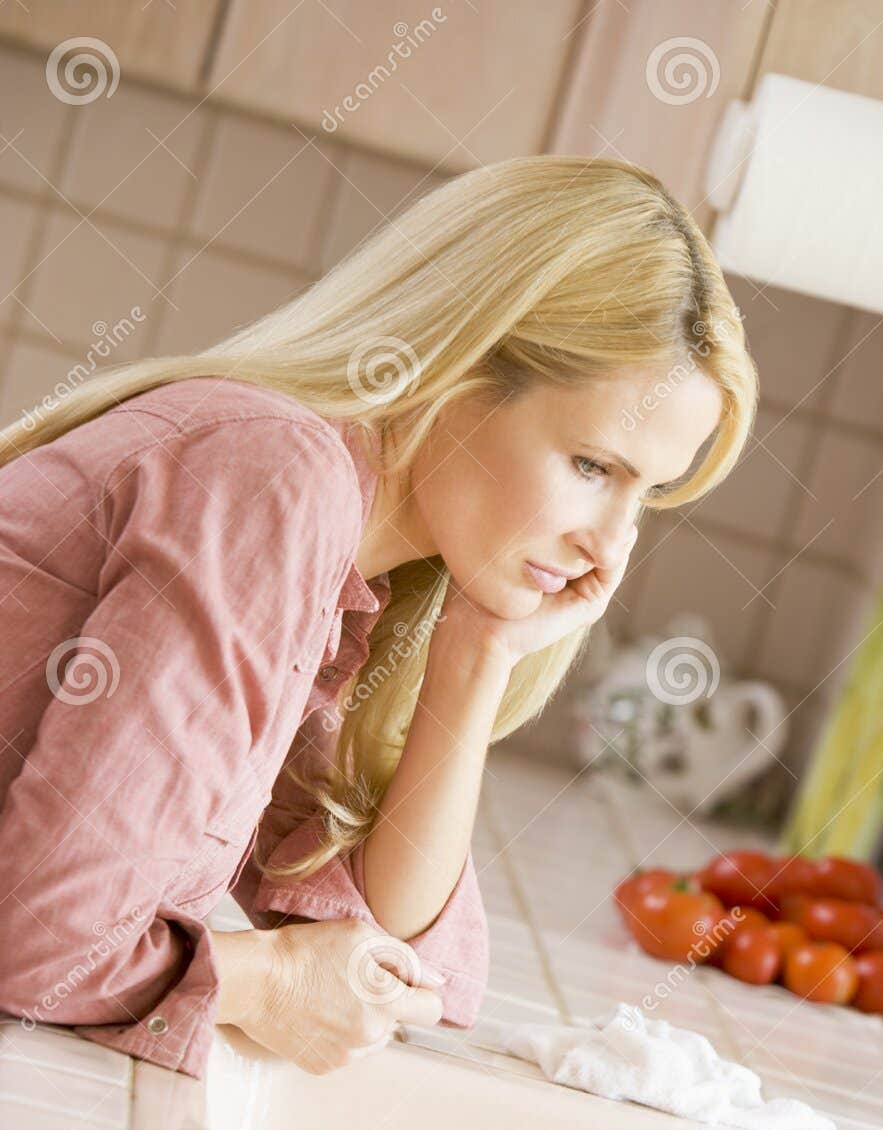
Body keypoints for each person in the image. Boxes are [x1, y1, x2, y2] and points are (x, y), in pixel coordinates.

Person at [0, 155, 757, 1078]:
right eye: (593, 467)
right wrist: (268, 980)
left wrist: (479, 650)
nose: (608, 545)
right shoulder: (275, 481)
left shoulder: (361, 564)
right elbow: (47, 944)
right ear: (457, 372)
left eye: (646, 496)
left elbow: (380, 941)